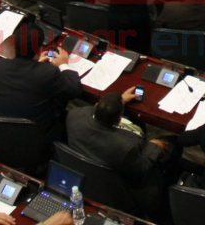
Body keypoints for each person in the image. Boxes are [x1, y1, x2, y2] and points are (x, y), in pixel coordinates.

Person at [65, 89, 176, 217]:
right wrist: (153, 145)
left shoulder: (74, 115)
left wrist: (119, 101)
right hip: (120, 191)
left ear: (96, 106)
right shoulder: (126, 146)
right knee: (172, 143)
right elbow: (141, 166)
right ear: (119, 120)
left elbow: (94, 111)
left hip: (84, 175)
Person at [0, 22, 82, 142]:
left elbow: (24, 77)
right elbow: (75, 89)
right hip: (34, 137)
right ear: (39, 48)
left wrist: (37, 66)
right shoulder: (48, 72)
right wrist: (63, 64)